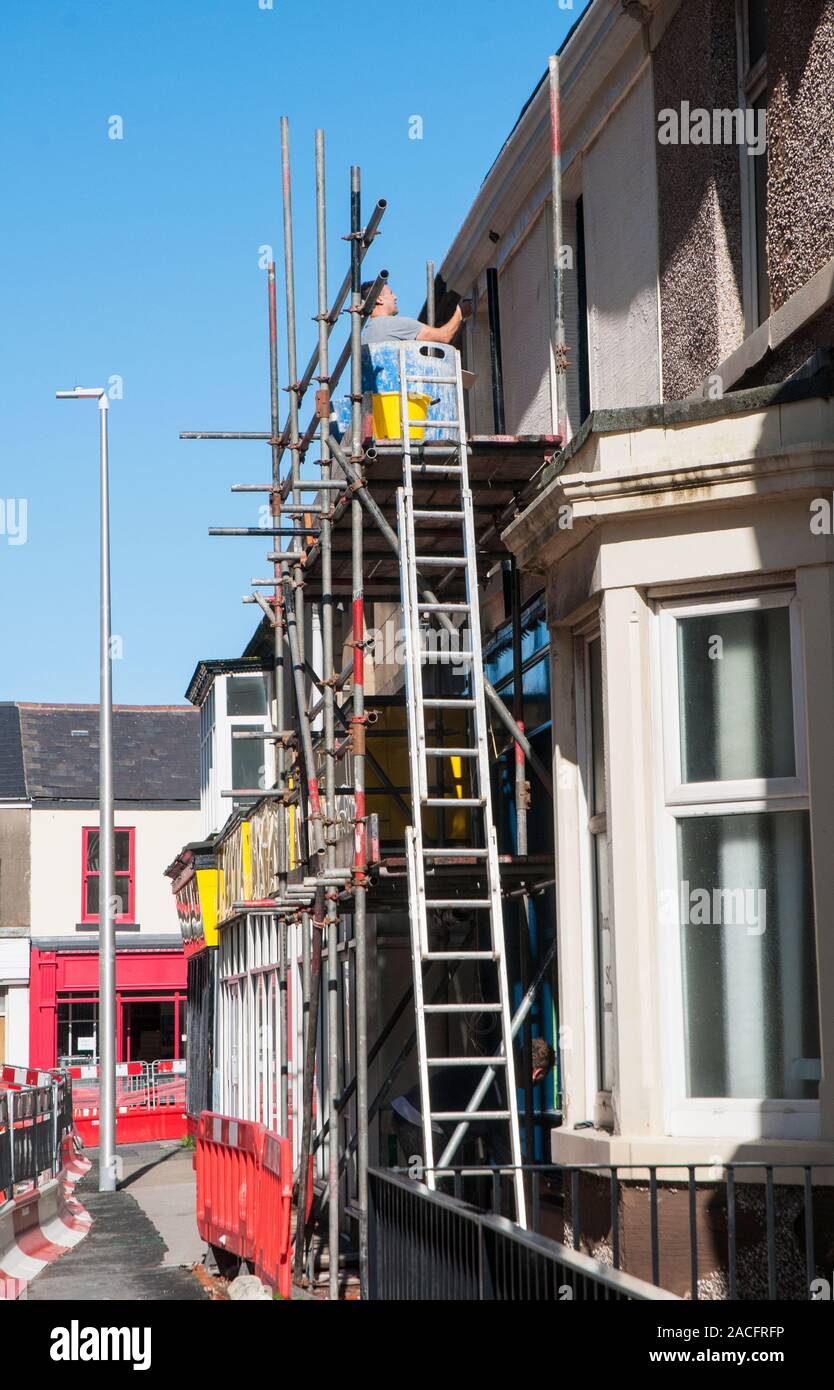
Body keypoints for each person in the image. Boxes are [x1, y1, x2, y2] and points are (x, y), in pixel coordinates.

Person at [390, 1037, 556, 1171]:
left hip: (412, 1116)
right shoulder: (498, 1088)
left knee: (425, 1184)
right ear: (537, 1073)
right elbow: (498, 1144)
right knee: (425, 1186)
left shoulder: (496, 1074)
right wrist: (528, 1175)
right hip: (416, 1122)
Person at [361, 281, 472, 346]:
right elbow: (444, 336)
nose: (395, 297)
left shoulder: (366, 333)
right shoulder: (394, 325)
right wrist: (460, 312)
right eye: (390, 293)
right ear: (379, 299)